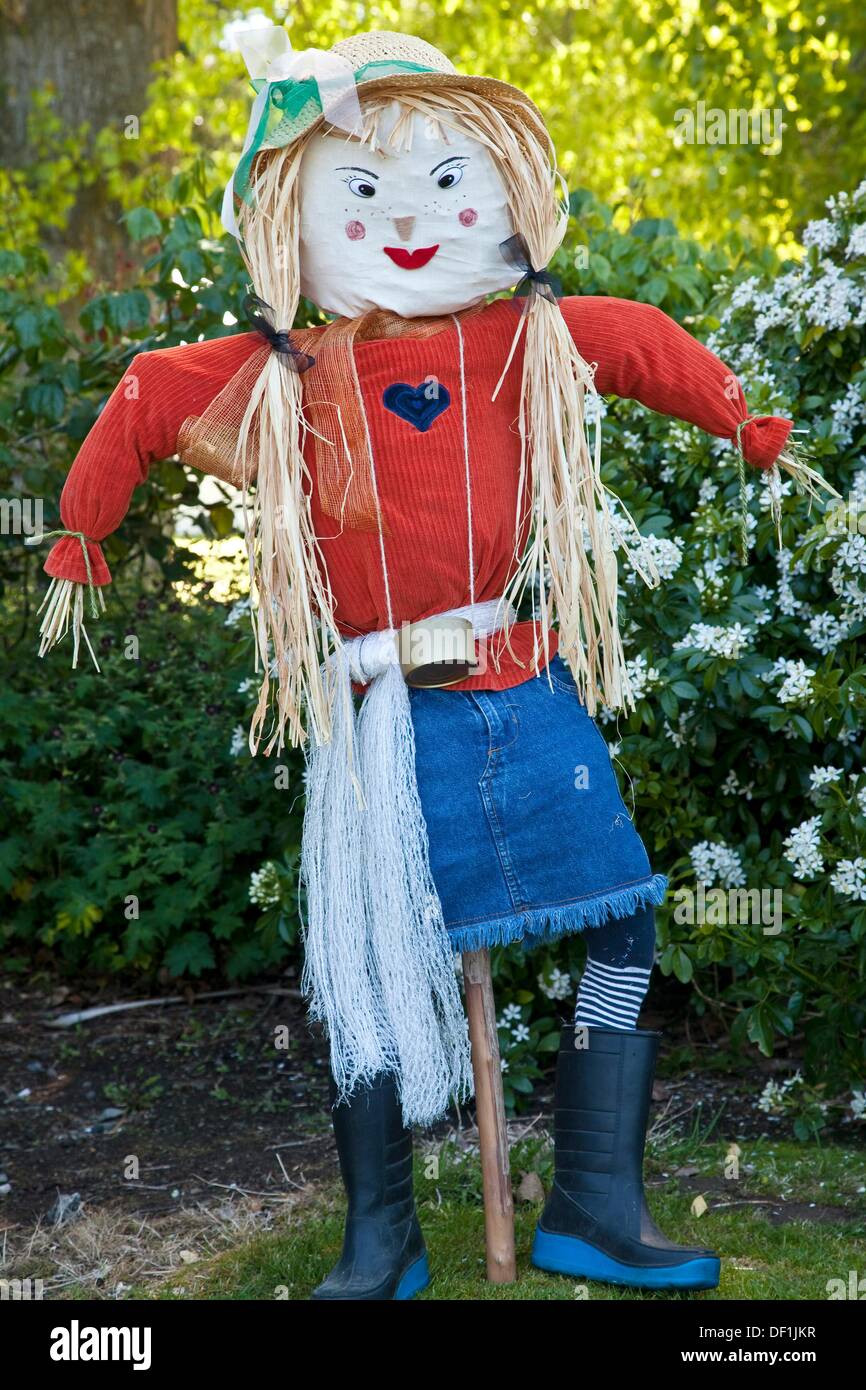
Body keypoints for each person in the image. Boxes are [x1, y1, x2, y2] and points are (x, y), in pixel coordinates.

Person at [37, 27, 822, 1299]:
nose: (407, 221)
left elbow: (635, 341)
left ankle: (592, 1204)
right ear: (296, 219)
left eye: (445, 186)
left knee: (619, 912)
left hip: (519, 677)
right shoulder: (285, 372)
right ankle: (381, 1240)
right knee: (370, 958)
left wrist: (740, 420)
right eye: (364, 194)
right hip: (380, 708)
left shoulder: (524, 340)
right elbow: (149, 393)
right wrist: (82, 530)